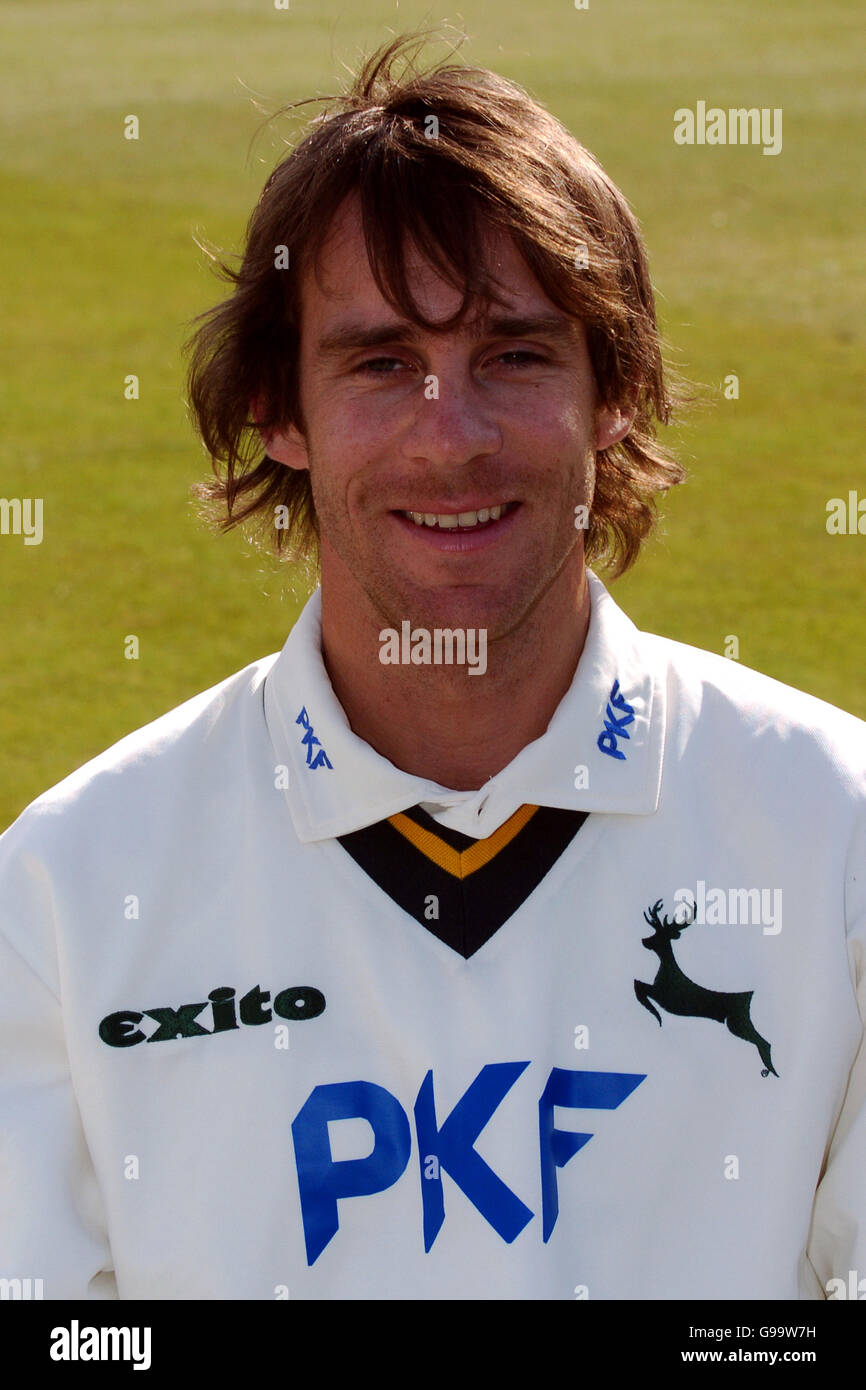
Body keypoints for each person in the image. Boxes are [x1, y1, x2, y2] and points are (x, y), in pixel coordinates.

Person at [1, 31, 864, 1302]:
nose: (448, 437)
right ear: (275, 414)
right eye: (380, 363)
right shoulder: (67, 886)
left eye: (513, 355)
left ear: (611, 391)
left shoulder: (836, 833)